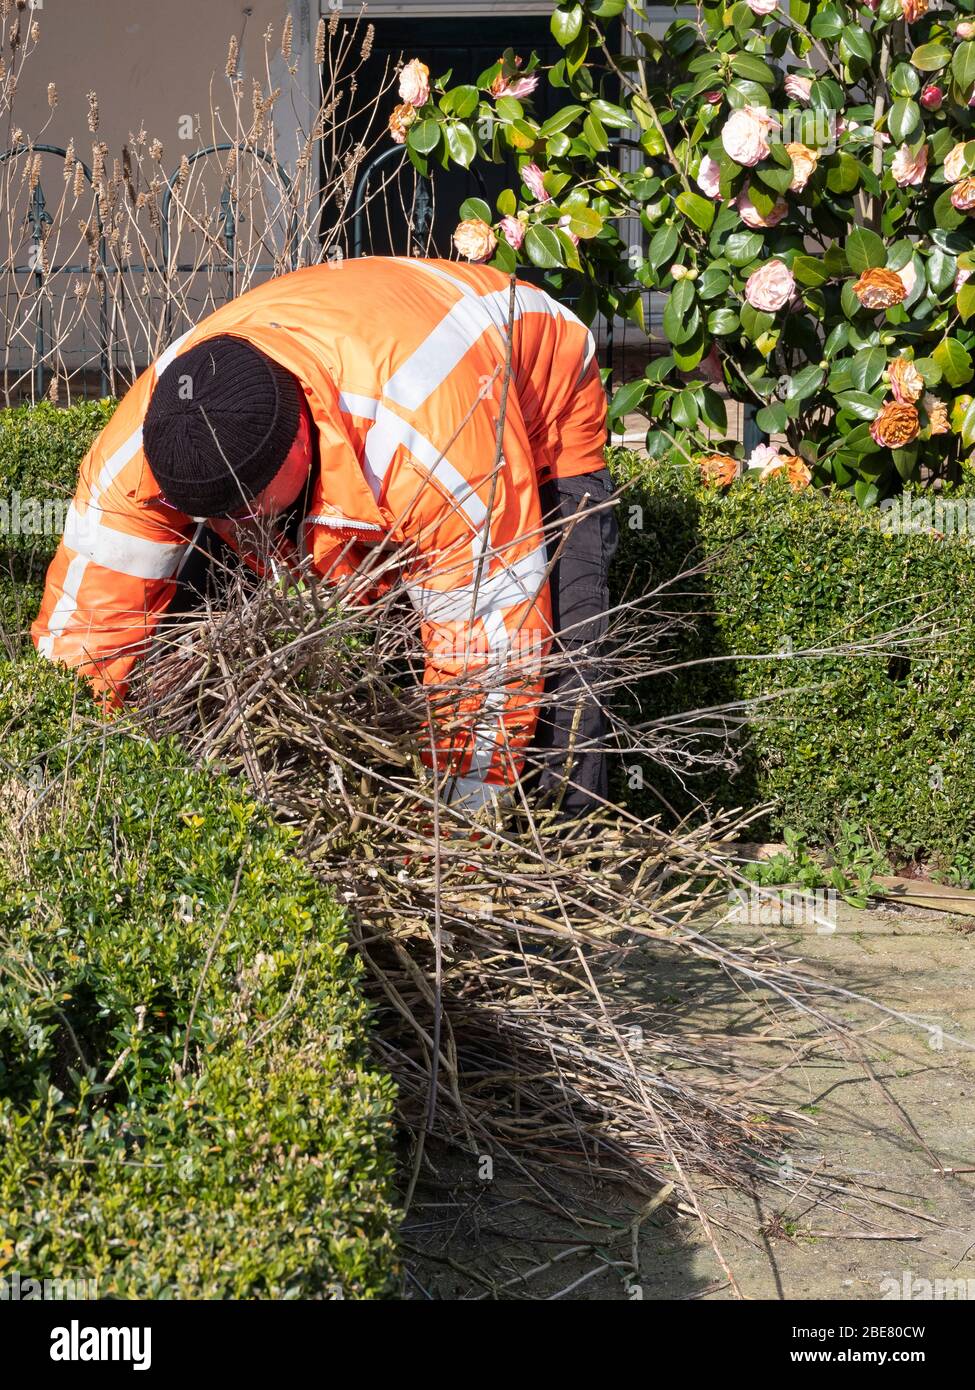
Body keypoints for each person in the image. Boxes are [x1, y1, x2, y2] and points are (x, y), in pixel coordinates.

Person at [32, 257, 616, 817]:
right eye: (214, 515)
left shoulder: (424, 445)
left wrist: (456, 836)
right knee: (191, 600)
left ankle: (574, 837)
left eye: (244, 507)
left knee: (559, 661)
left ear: (298, 442)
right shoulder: (147, 443)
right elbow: (90, 629)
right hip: (347, 334)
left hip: (532, 386)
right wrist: (65, 781)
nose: (236, 530)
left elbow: (489, 648)